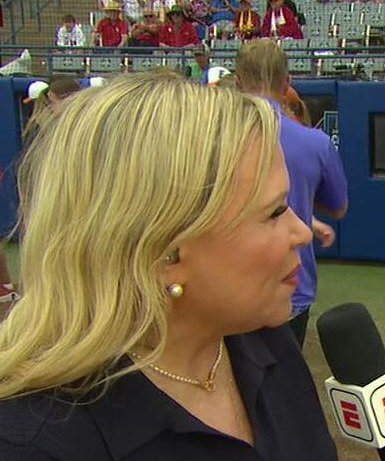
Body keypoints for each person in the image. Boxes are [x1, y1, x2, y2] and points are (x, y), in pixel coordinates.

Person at [0, 71, 340, 459]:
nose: (302, 232)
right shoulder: (34, 443)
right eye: (275, 211)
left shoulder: (266, 345)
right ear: (164, 252)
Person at [235, 39, 348, 348]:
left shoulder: (211, 138)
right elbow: (338, 207)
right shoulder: (315, 143)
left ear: (237, 81)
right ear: (287, 83)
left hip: (228, 286)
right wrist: (304, 198)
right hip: (291, 285)